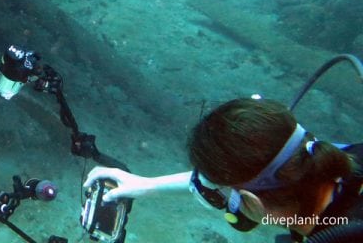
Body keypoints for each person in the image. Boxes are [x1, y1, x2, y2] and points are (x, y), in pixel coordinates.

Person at [84, 97, 363, 242]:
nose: (209, 194)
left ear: (252, 203)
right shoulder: (340, 159)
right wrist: (146, 185)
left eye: (215, 197)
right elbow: (249, 178)